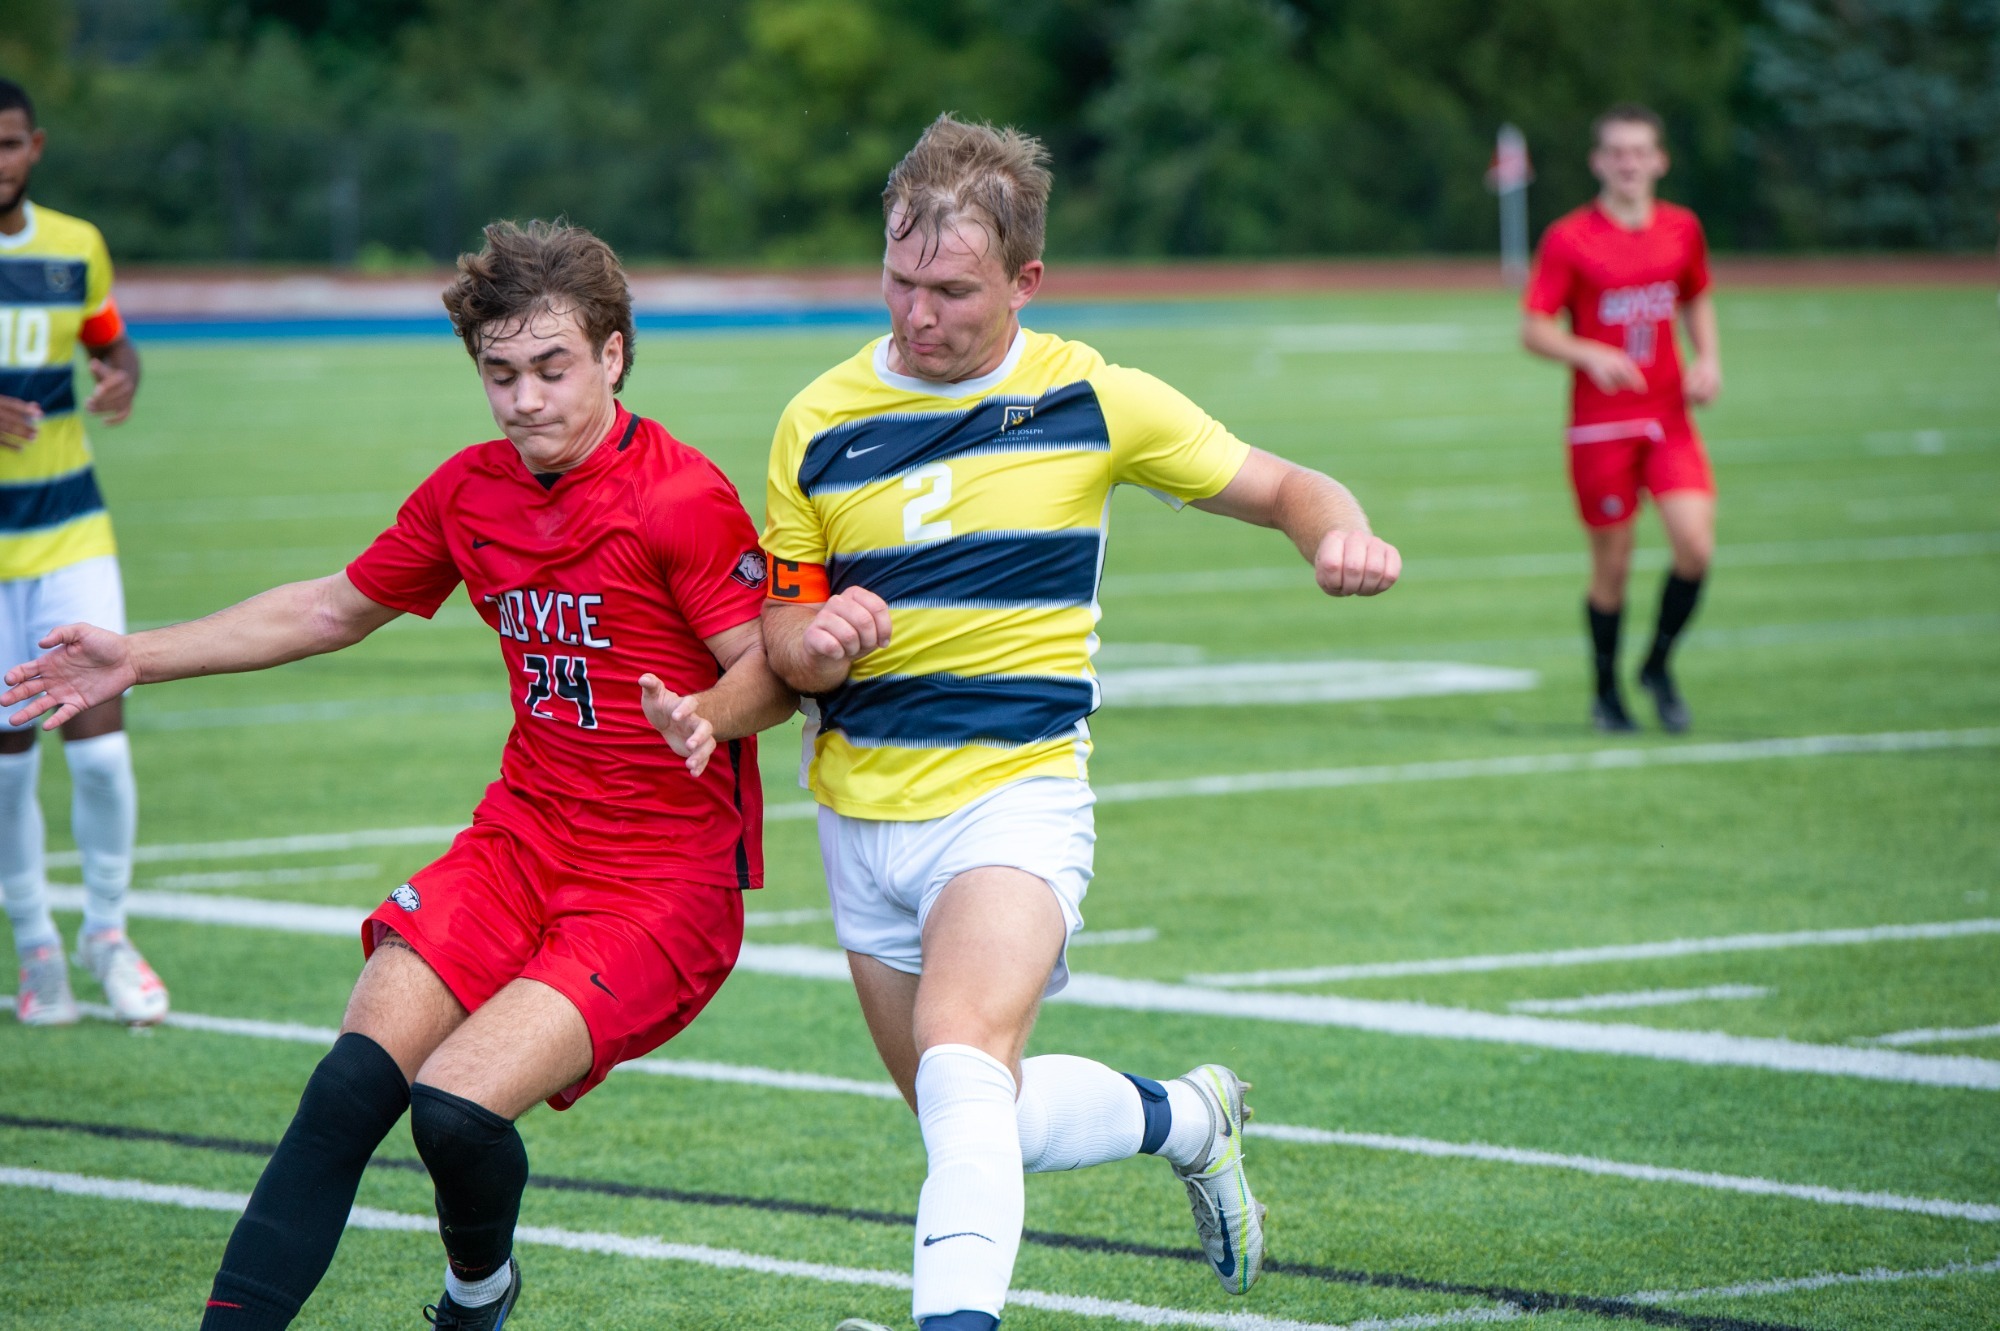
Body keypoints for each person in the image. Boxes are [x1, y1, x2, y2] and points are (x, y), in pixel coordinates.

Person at [3, 219, 796, 1330]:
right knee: (345, 1091)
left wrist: (708, 714)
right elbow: (334, 606)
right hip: (521, 841)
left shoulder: (677, 497)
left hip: (660, 885)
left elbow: (772, 671)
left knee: (455, 1111)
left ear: (614, 355)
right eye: (499, 373)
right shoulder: (472, 491)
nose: (524, 399)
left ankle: (476, 1293)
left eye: (552, 368)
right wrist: (138, 653)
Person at [760, 115, 1400, 1331]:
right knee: (971, 1114)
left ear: (1024, 282)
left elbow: (1281, 485)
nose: (916, 315)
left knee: (958, 1065)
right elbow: (781, 636)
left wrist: (1335, 531)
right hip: (860, 820)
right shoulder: (815, 421)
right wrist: (816, 638)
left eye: (951, 290)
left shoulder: (1089, 395)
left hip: (1015, 796)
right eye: (898, 282)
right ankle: (1189, 1117)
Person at [0, 77, 156, 1026]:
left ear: (36, 147)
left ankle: (107, 932)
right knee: (10, 762)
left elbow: (116, 344)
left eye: (10, 143)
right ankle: (36, 947)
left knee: (99, 750)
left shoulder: (73, 246)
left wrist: (121, 378)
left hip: (69, 524)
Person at [1521, 103, 1723, 733]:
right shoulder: (1569, 238)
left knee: (1695, 545)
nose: (1628, 163)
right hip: (1600, 425)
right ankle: (1606, 693)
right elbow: (1533, 328)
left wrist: (1709, 358)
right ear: (1597, 161)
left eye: (1640, 151)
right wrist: (1587, 351)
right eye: (1616, 151)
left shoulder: (1683, 228)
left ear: (1659, 160)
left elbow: (1696, 296)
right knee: (1613, 565)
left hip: (1669, 416)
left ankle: (1657, 665)